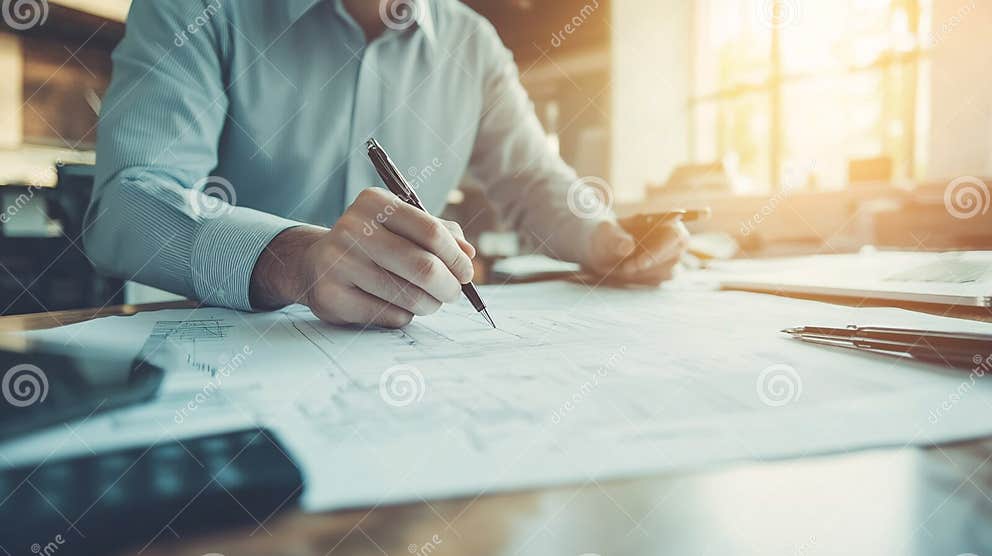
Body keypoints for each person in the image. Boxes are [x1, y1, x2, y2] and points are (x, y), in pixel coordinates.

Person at [85, 0, 688, 328]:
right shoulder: (193, 8)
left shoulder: (472, 43)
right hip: (218, 355)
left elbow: (532, 178)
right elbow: (127, 204)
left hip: (403, 371)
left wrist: (607, 240)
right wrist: (297, 262)